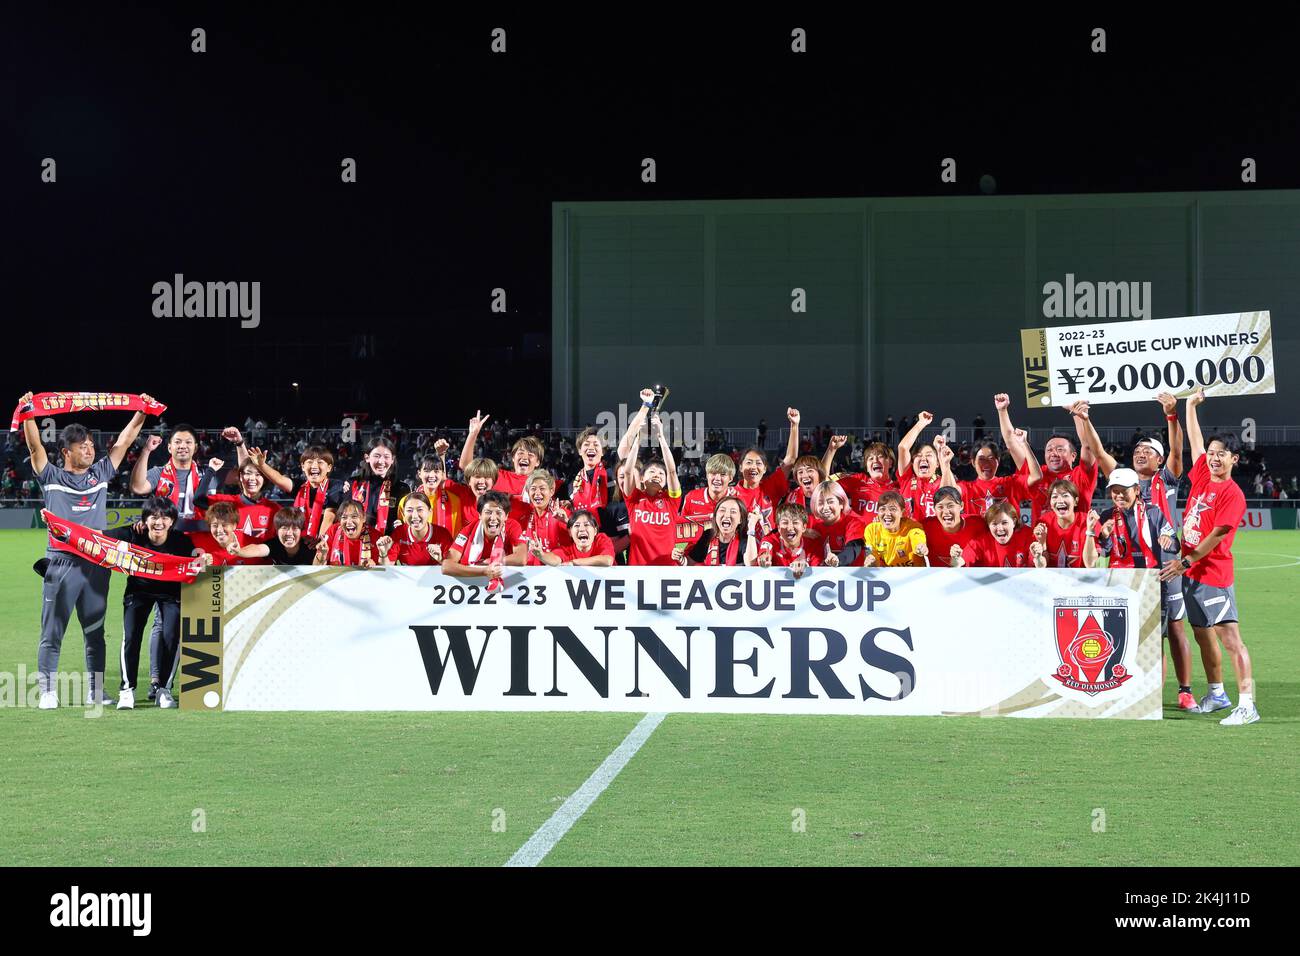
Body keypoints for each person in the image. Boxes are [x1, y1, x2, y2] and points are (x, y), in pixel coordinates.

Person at [19, 389, 156, 708]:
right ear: (66, 452)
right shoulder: (50, 476)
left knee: (95, 632)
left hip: (97, 565)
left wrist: (141, 412)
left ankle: (96, 691)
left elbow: (124, 441)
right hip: (61, 564)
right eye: (83, 447)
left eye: (92, 446)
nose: (91, 451)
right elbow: (34, 444)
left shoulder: (100, 475)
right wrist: (28, 412)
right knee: (52, 632)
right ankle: (48, 692)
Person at [1076, 393, 1194, 708]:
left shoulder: (1165, 479)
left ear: (1159, 459)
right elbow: (1098, 452)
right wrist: (1085, 420)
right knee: (1139, 633)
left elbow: (1177, 450)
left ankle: (1185, 691)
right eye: (1138, 449)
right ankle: (1142, 691)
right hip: (1130, 569)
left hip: (1166, 567)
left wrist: (1172, 415)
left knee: (1175, 629)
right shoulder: (1124, 483)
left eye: (1149, 450)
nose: (1141, 453)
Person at [1158, 390, 1258, 725]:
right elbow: (1196, 443)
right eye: (1213, 453)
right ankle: (1217, 694)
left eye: (1222, 454)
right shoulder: (1203, 475)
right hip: (1192, 576)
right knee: (1202, 635)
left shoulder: (1232, 494)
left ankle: (1247, 704)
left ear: (1235, 460)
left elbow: (1216, 537)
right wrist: (1189, 407)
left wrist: (1183, 562)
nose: (1214, 458)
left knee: (1230, 639)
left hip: (1212, 574)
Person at [104, 497, 195, 709]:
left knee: (172, 637)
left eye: (164, 518)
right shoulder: (134, 533)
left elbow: (196, 558)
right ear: (145, 520)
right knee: (131, 637)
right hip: (139, 591)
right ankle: (127, 690)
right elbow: (99, 537)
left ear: (172, 521)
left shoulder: (181, 541)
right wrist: (65, 529)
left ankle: (164, 689)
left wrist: (200, 556)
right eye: (153, 517)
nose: (159, 522)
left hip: (170, 593)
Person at [999, 395, 1098, 524]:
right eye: (1049, 450)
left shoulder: (1082, 475)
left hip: (1077, 539)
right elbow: (1012, 443)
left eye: (1060, 449)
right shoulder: (1037, 474)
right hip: (1043, 541)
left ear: (1073, 456)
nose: (1053, 453)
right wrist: (1002, 410)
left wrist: (1079, 415)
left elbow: (1088, 445)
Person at [620, 410, 682, 566]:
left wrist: (661, 436)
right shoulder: (634, 499)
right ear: (641, 478)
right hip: (638, 569)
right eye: (652, 471)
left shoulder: (672, 501)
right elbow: (627, 472)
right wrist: (638, 440)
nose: (657, 474)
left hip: (667, 569)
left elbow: (672, 471)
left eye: (661, 473)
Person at [248, 444, 346, 539]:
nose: (314, 466)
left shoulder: (336, 485)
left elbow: (329, 517)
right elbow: (279, 479)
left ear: (329, 467)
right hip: (301, 541)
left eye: (320, 462)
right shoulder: (300, 487)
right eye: (310, 462)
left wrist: (320, 541)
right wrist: (262, 465)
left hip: (326, 543)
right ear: (303, 466)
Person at [731, 408, 801, 535]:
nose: (753, 467)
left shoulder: (771, 486)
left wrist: (794, 425)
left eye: (758, 463)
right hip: (741, 550)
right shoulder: (730, 494)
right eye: (748, 462)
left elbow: (790, 459)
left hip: (769, 549)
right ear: (740, 467)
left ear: (764, 469)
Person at [130, 423, 208, 529]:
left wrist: (239, 445)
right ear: (169, 447)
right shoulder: (158, 473)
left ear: (195, 448)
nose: (183, 446)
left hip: (198, 533)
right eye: (177, 442)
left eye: (188, 442)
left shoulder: (207, 474)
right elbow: (137, 488)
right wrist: (146, 450)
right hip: (166, 535)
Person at [443, 491, 528, 579]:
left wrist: (492, 561)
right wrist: (484, 572)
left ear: (506, 516)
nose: (493, 518)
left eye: (498, 513)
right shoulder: (468, 530)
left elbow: (521, 558)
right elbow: (446, 566)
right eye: (488, 512)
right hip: (470, 585)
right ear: (480, 515)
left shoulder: (512, 526)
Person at [398, 446, 475, 540]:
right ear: (419, 474)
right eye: (427, 471)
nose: (431, 475)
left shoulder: (455, 501)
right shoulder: (405, 502)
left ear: (442, 474)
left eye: (436, 471)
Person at [822, 434, 896, 523]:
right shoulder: (858, 480)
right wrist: (831, 450)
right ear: (867, 468)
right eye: (870, 458)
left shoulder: (899, 489)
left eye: (880, 457)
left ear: (891, 462)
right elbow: (823, 483)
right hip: (855, 535)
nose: (875, 461)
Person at [346, 436, 410, 536]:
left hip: (388, 546)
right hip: (358, 544)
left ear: (392, 459)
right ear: (367, 458)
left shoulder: (402, 489)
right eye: (377, 456)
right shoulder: (354, 484)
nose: (381, 461)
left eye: (386, 457)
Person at [950, 502, 1046, 568]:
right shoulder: (980, 541)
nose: (1000, 528)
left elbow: (1041, 566)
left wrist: (1038, 557)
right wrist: (956, 558)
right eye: (994, 524)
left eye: (1004, 523)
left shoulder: (1027, 535)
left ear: (1014, 521)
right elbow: (956, 564)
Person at [895, 412, 953, 519]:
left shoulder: (943, 481)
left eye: (928, 455)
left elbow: (950, 496)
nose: (923, 458)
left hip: (935, 534)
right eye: (918, 455)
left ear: (937, 463)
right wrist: (921, 423)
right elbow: (903, 448)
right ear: (912, 462)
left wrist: (944, 458)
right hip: (910, 534)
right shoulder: (907, 479)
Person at [1032, 479, 1098, 569]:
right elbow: (1042, 566)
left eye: (1065, 495)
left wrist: (1090, 531)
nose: (1060, 500)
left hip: (1080, 581)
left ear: (1075, 501)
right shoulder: (1044, 522)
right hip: (1051, 580)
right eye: (1055, 497)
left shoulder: (1088, 521)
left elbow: (1090, 565)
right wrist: (1041, 544)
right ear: (1050, 503)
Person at [921, 485, 991, 567]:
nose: (946, 511)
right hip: (940, 578)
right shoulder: (926, 526)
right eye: (940, 507)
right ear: (934, 509)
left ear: (961, 506)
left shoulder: (978, 523)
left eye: (950, 506)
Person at [680, 497, 760, 567]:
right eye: (722, 510)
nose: (727, 515)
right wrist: (680, 559)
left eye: (733, 512)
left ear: (740, 520)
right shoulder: (708, 535)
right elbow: (690, 563)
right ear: (715, 516)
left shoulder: (745, 539)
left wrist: (752, 526)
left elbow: (751, 564)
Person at [378, 493, 454, 566]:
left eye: (420, 510)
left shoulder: (443, 534)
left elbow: (453, 568)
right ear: (403, 513)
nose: (414, 516)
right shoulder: (399, 532)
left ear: (429, 512)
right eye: (409, 510)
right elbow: (387, 568)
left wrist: (440, 560)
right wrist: (383, 553)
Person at [807, 479, 866, 567]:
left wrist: (838, 560)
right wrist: (802, 533)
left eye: (830, 502)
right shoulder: (811, 524)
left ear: (841, 503)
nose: (825, 507)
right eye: (820, 503)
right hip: (819, 576)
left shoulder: (853, 523)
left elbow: (853, 549)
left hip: (851, 577)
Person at [862, 491, 929, 567]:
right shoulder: (871, 530)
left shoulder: (913, 527)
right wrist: (870, 560)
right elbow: (871, 555)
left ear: (902, 512)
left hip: (915, 575)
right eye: (882, 509)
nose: (887, 513)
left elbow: (918, 541)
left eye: (893, 509)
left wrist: (920, 548)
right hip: (887, 576)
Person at [519, 469, 572, 564]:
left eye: (542, 488)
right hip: (529, 570)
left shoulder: (562, 514)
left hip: (558, 571)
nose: (537, 493)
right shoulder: (525, 514)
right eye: (533, 488)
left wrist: (567, 522)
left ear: (551, 491)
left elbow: (577, 542)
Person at [230, 507, 316, 565]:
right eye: (284, 528)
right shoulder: (275, 545)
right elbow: (258, 549)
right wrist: (239, 551)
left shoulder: (310, 546)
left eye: (295, 529)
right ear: (277, 530)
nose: (289, 533)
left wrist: (321, 553)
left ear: (301, 531)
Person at [757, 502, 821, 578]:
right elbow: (764, 552)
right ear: (779, 528)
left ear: (804, 527)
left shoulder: (814, 545)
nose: (790, 528)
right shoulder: (770, 540)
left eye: (795, 522)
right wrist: (764, 558)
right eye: (785, 523)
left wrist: (805, 567)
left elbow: (819, 573)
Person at [191, 501, 265, 567]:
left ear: (234, 526)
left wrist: (242, 552)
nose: (219, 530)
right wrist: (199, 564)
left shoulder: (252, 544)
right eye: (215, 525)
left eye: (224, 525)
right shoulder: (196, 542)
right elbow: (183, 567)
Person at [531, 510, 616, 567]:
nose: (582, 529)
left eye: (586, 525)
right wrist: (541, 555)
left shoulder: (601, 539)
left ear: (595, 531)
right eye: (577, 525)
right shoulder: (567, 550)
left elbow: (607, 560)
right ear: (570, 532)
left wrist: (574, 563)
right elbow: (555, 560)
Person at [313, 500, 380, 568]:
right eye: (344, 517)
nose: (349, 522)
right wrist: (321, 555)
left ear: (364, 517)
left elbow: (387, 572)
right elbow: (315, 568)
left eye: (354, 516)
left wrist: (375, 568)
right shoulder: (333, 531)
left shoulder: (376, 537)